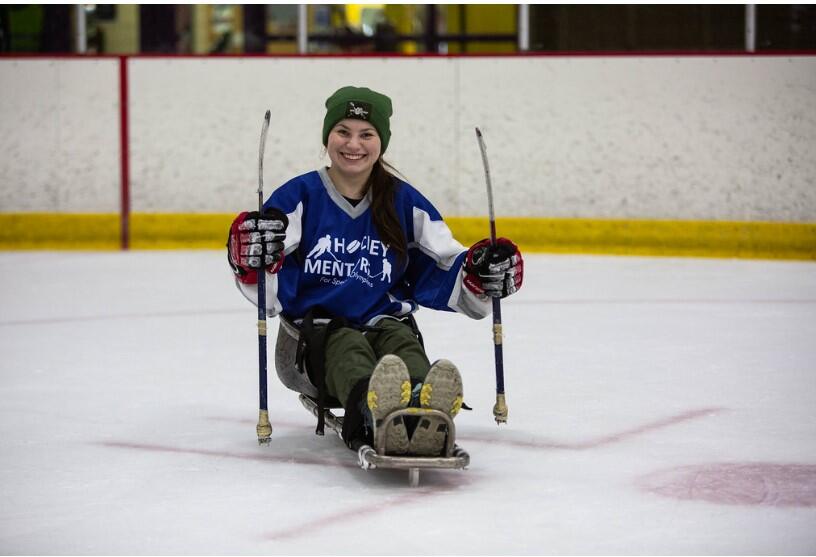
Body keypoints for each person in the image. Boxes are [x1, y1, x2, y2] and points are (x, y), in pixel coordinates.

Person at [227, 86, 523, 457]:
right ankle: (374, 410)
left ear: (381, 142)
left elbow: (443, 265)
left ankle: (423, 404)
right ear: (327, 137)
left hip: (384, 322)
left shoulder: (403, 202)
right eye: (343, 132)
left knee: (400, 345)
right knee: (347, 346)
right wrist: (250, 259)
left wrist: (480, 274)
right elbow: (267, 289)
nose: (354, 144)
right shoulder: (298, 197)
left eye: (367, 134)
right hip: (312, 340)